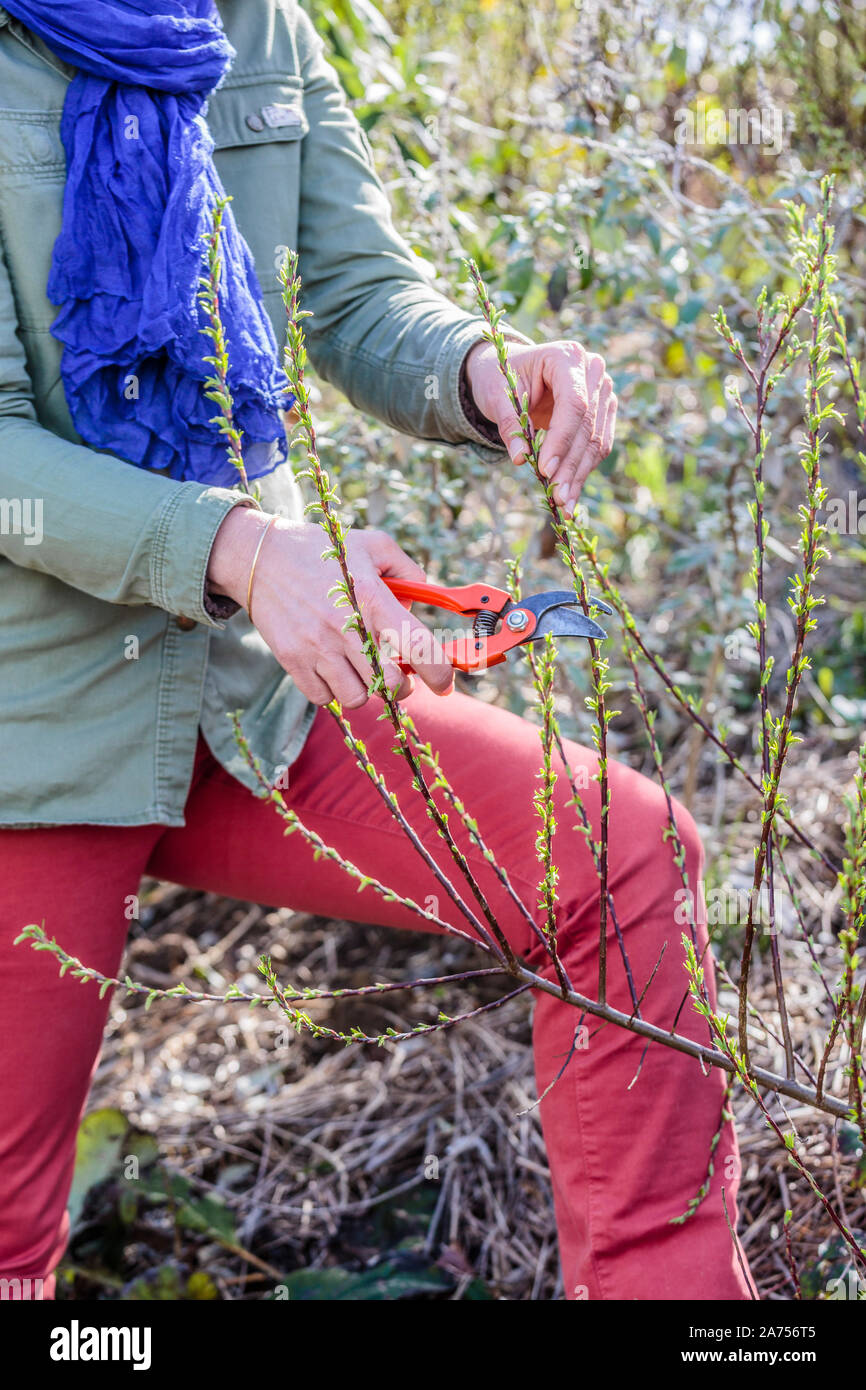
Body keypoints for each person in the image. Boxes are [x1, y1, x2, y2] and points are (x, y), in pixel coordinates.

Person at [0, 0, 753, 1301]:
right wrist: (238, 550)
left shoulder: (254, 24)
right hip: (31, 722)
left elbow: (348, 287)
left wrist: (477, 366)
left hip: (251, 687)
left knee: (617, 864)